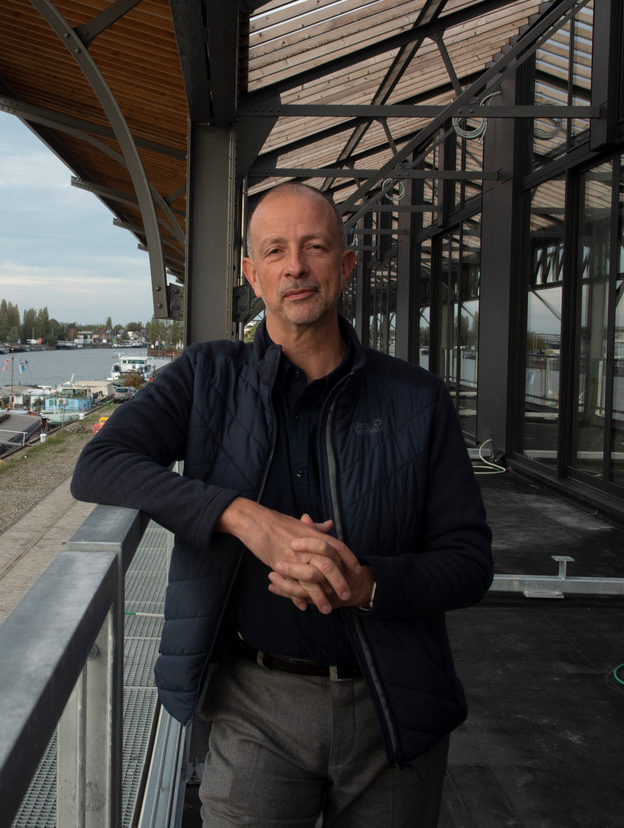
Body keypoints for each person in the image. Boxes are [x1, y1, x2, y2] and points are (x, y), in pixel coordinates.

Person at [71, 182, 492, 827]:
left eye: (315, 247)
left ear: (346, 266)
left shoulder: (417, 399)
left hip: (393, 702)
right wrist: (242, 517)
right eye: (274, 251)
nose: (295, 266)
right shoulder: (207, 377)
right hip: (254, 704)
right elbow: (100, 463)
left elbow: (469, 560)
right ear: (252, 274)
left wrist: (367, 584)